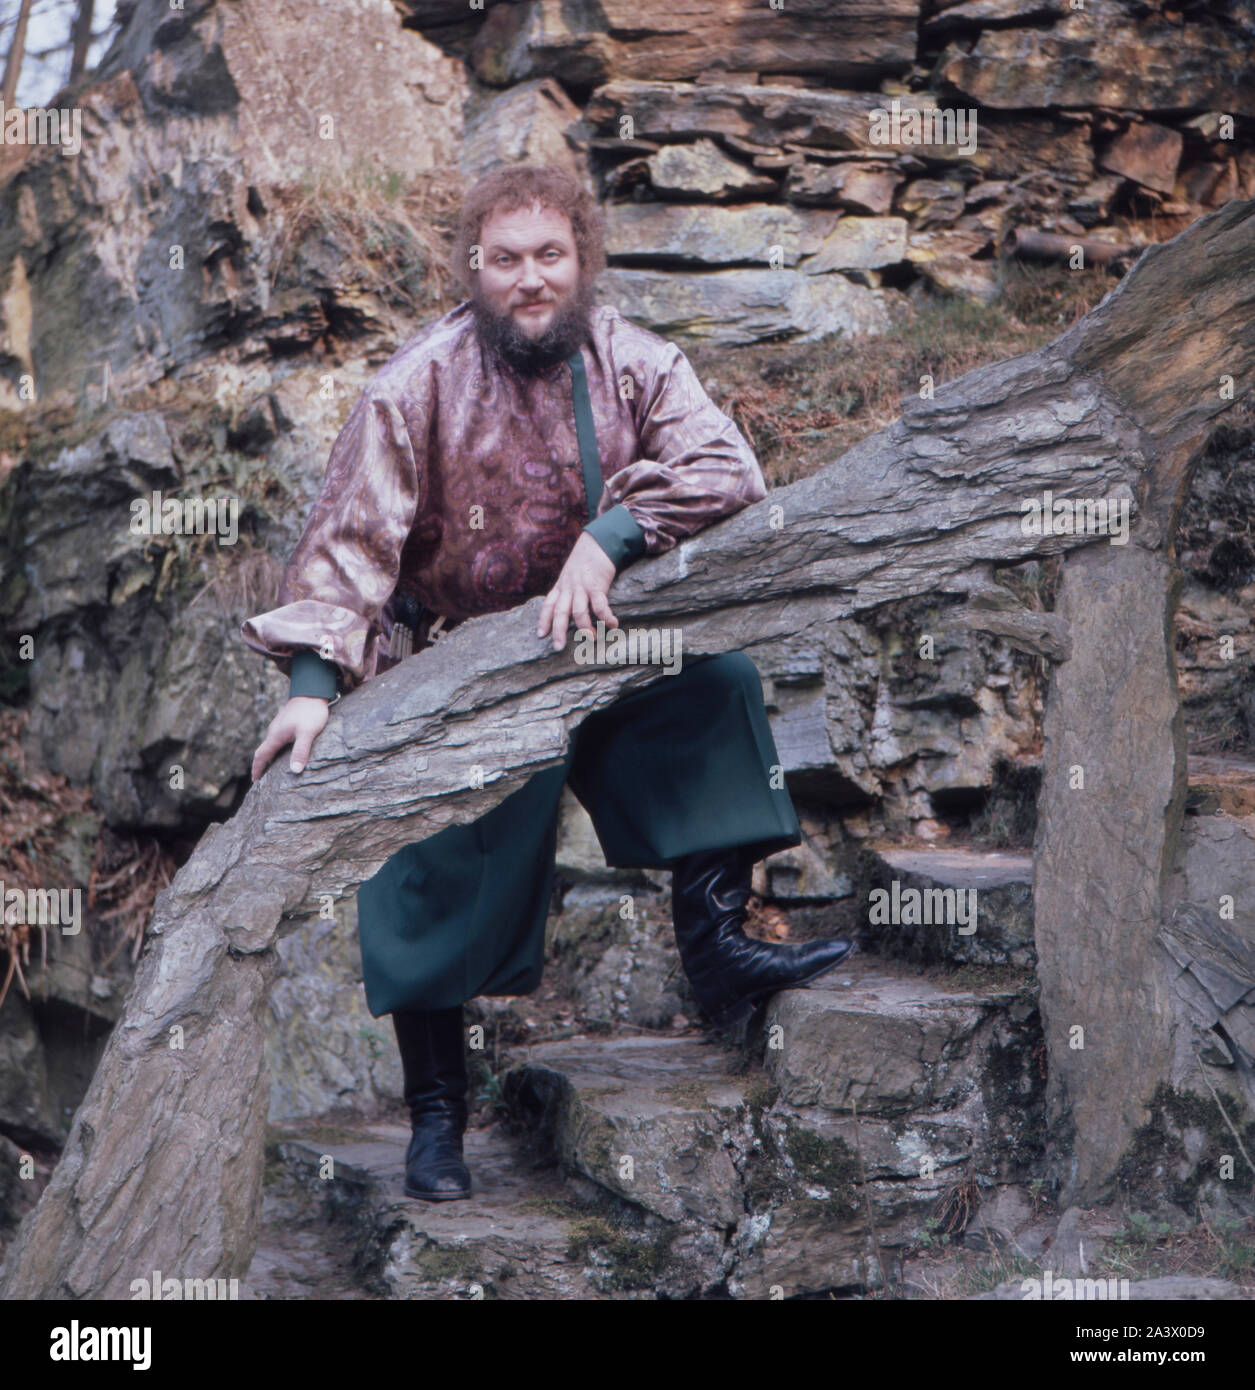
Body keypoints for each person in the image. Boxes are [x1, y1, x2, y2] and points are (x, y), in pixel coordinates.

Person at [241, 164, 852, 1203]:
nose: (531, 280)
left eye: (551, 256)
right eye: (507, 259)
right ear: (473, 267)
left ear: (583, 260)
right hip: (456, 667)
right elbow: (348, 547)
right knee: (422, 855)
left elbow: (729, 471)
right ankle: (437, 1112)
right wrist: (311, 683)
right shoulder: (413, 384)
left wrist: (610, 538)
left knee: (713, 689)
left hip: (599, 647)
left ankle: (716, 953)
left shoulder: (632, 361)